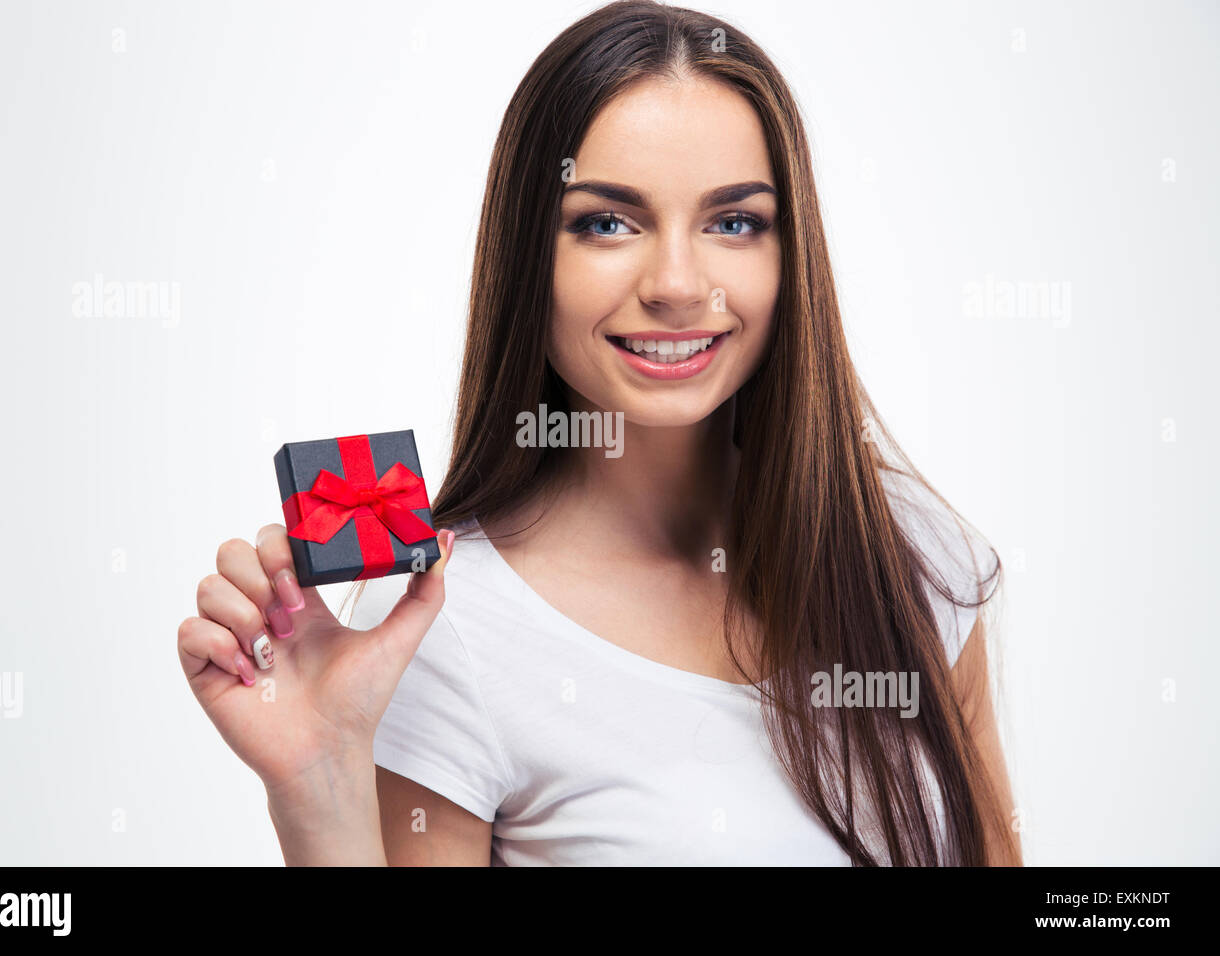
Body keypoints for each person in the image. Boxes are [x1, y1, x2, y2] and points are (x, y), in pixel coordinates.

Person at [178, 0, 1021, 866]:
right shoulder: (444, 630)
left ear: (788, 251)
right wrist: (319, 788)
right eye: (606, 222)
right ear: (527, 257)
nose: (679, 284)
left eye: (734, 222)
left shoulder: (912, 555)